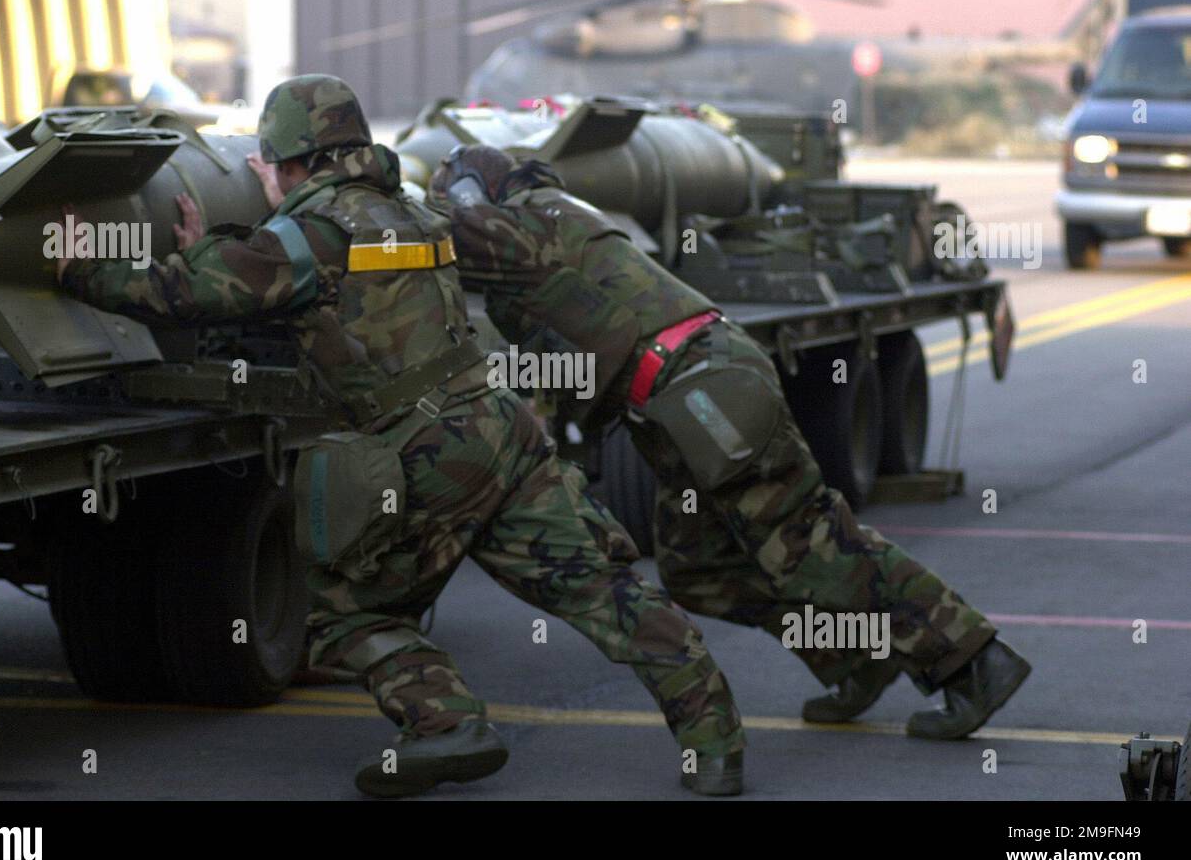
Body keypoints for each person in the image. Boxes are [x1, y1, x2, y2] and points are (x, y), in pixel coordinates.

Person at [56, 75, 746, 797]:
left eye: (276, 163)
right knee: (602, 593)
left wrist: (81, 270)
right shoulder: (409, 212)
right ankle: (717, 742)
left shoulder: (309, 234)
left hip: (427, 448)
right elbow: (313, 286)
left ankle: (445, 722)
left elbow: (181, 297)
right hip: (501, 427)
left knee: (336, 608)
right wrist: (251, 236)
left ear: (290, 160)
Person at [427, 144, 1031, 739]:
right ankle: (851, 657)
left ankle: (973, 660)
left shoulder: (536, 215)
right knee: (699, 572)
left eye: (450, 197)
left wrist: (448, 200)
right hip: (673, 408)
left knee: (814, 543)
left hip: (703, 386)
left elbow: (475, 229)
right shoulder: (532, 229)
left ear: (478, 192)